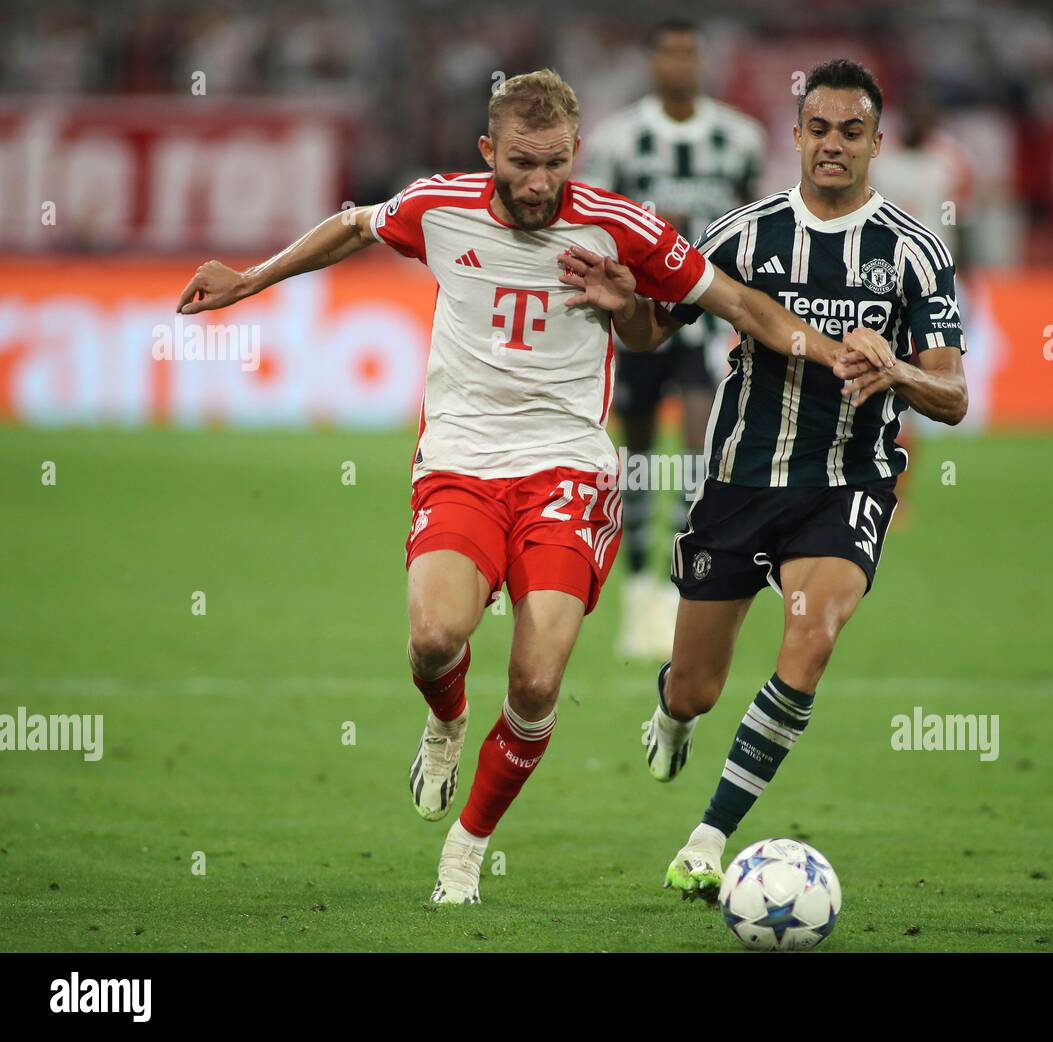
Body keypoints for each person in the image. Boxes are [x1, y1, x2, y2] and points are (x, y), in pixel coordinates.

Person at [177, 68, 879, 905]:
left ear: (576, 152)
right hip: (462, 464)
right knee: (436, 637)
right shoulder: (439, 206)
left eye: (555, 163)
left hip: (567, 470)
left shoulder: (622, 227)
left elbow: (734, 302)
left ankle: (466, 852)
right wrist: (252, 279)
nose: (540, 183)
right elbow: (352, 226)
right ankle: (444, 723)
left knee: (538, 683)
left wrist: (824, 351)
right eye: (521, 164)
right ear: (489, 153)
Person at [558, 59, 969, 902]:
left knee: (809, 642)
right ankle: (671, 713)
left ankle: (708, 839)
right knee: (698, 685)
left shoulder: (916, 253)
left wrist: (896, 372)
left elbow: (954, 395)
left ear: (877, 143)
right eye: (819, 129)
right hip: (739, 483)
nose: (833, 145)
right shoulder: (741, 234)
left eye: (851, 132)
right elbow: (652, 334)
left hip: (847, 485)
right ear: (796, 137)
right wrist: (620, 303)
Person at [581, 19, 766, 659]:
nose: (681, 66)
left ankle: (669, 589)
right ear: (652, 61)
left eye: (691, 55)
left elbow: (753, 227)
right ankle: (634, 588)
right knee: (632, 454)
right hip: (635, 318)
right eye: (670, 54)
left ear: (702, 61)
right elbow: (594, 225)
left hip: (704, 320)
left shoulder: (739, 139)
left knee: (695, 446)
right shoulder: (617, 140)